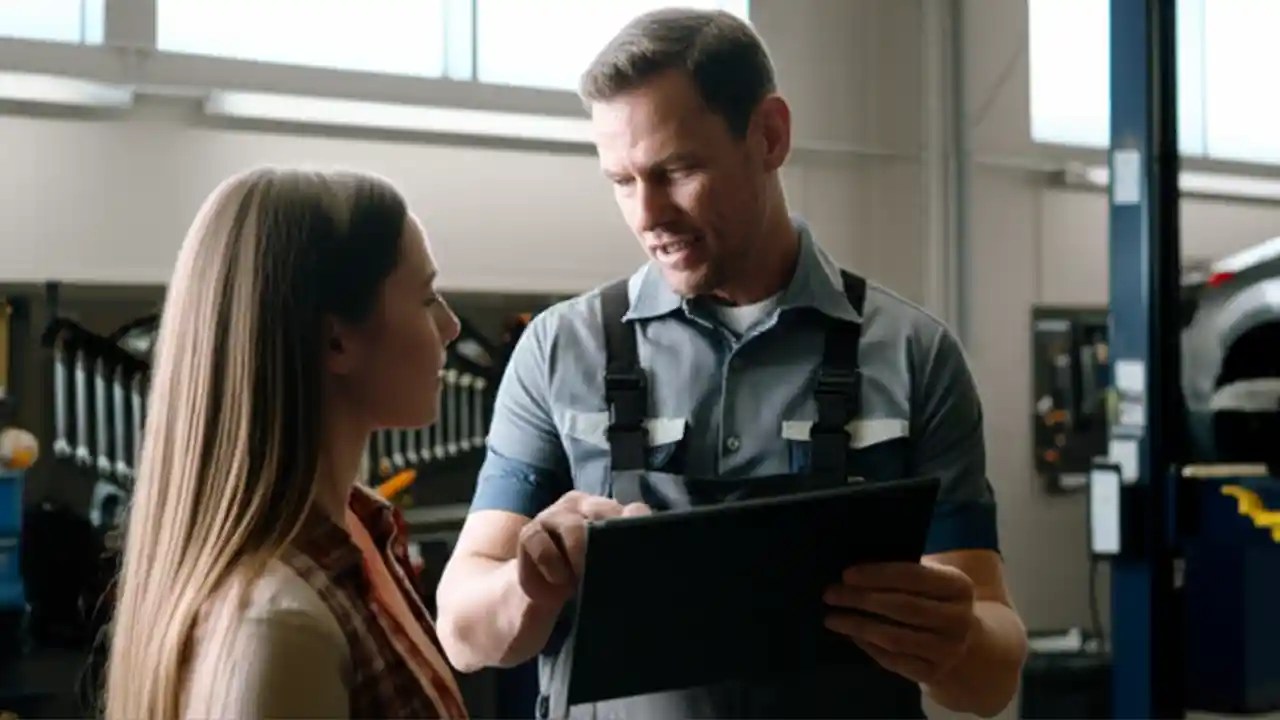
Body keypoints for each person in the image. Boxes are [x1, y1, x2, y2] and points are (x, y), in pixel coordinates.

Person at [435, 7, 1028, 719]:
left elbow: (992, 677)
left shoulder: (914, 356)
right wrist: (530, 581)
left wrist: (958, 638)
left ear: (770, 135)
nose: (646, 213)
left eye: (676, 170)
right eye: (621, 181)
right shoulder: (562, 350)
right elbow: (464, 632)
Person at [102, 167, 469, 719]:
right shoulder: (281, 627)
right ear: (335, 340)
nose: (451, 327)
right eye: (425, 298)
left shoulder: (361, 533)